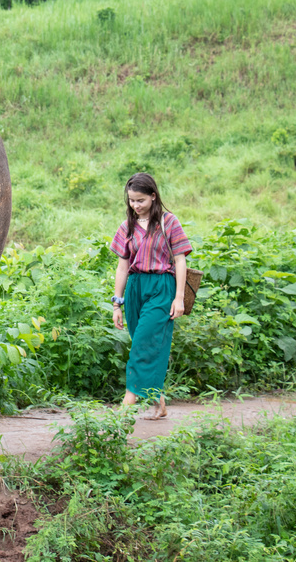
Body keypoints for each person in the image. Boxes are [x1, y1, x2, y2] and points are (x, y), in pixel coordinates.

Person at [109, 173, 192, 419]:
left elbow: (180, 261)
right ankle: (159, 401)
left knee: (143, 344)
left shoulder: (169, 222)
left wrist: (179, 298)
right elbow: (122, 267)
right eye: (132, 201)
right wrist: (117, 303)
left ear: (153, 197)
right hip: (136, 288)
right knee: (143, 343)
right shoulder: (127, 227)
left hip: (161, 287)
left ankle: (127, 403)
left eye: (141, 200)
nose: (136, 205)